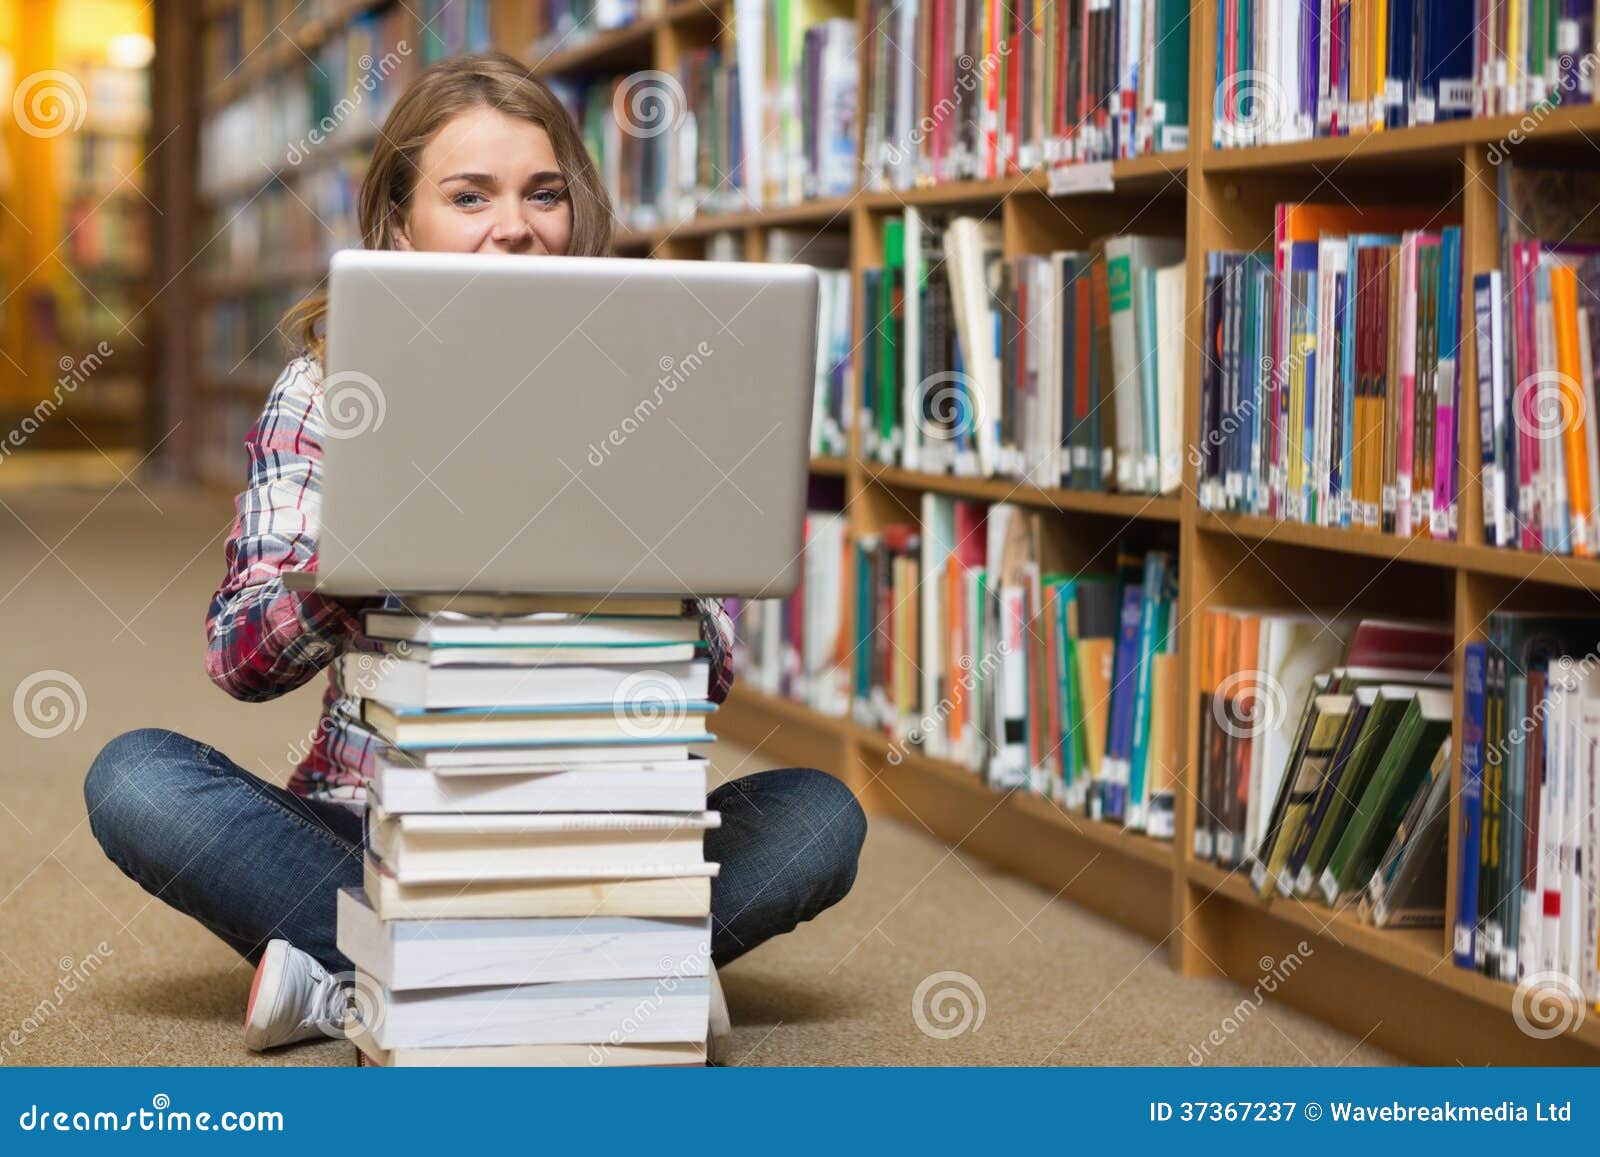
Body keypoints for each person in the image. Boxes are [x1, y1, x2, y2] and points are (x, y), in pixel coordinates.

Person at [83, 52, 867, 1063]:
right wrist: (360, 555)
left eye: (544, 193)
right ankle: (616, 977)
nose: (515, 224)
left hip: (596, 834)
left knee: (819, 819)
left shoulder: (656, 383)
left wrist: (625, 540)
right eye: (470, 195)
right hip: (377, 829)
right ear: (399, 224)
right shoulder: (327, 390)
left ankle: (363, 978)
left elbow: (709, 672)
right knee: (136, 779)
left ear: (575, 210)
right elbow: (240, 656)